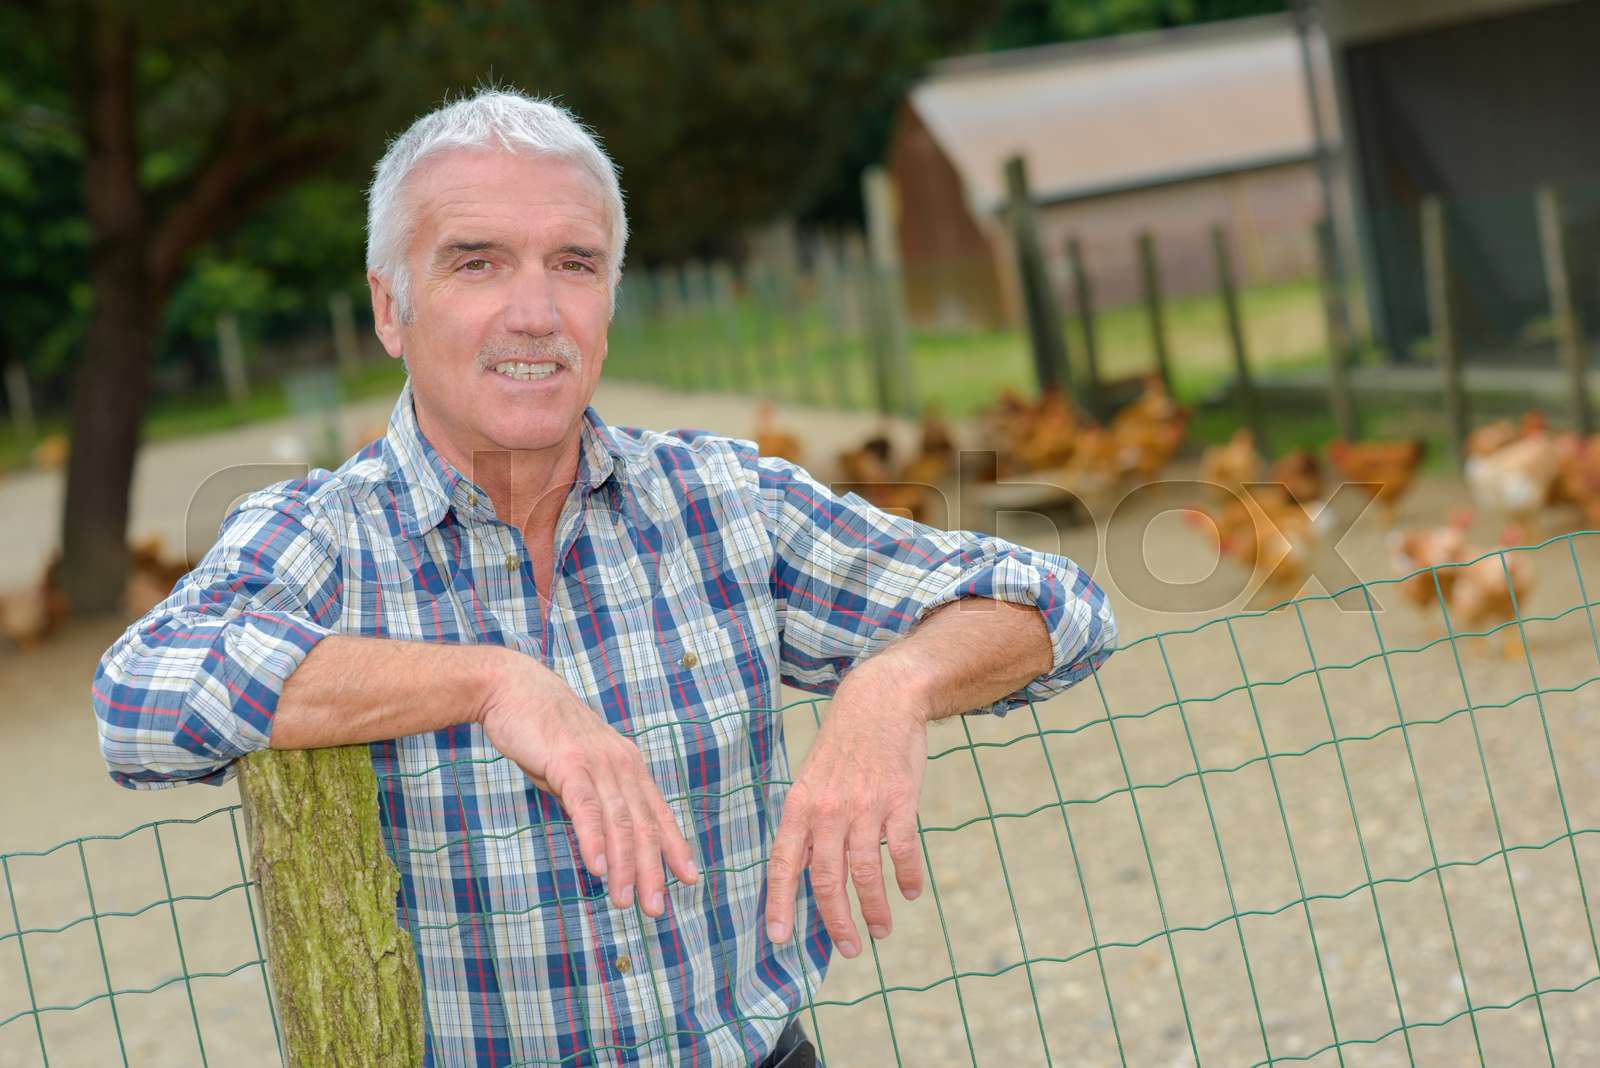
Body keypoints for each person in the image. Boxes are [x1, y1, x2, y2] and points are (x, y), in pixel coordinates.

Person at [92, 88, 1117, 1066]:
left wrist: (893, 685)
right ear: (390, 308)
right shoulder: (324, 537)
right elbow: (136, 697)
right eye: (478, 263)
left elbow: (1054, 602)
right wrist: (490, 684)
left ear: (609, 299)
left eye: (574, 263)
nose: (535, 312)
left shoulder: (724, 502)